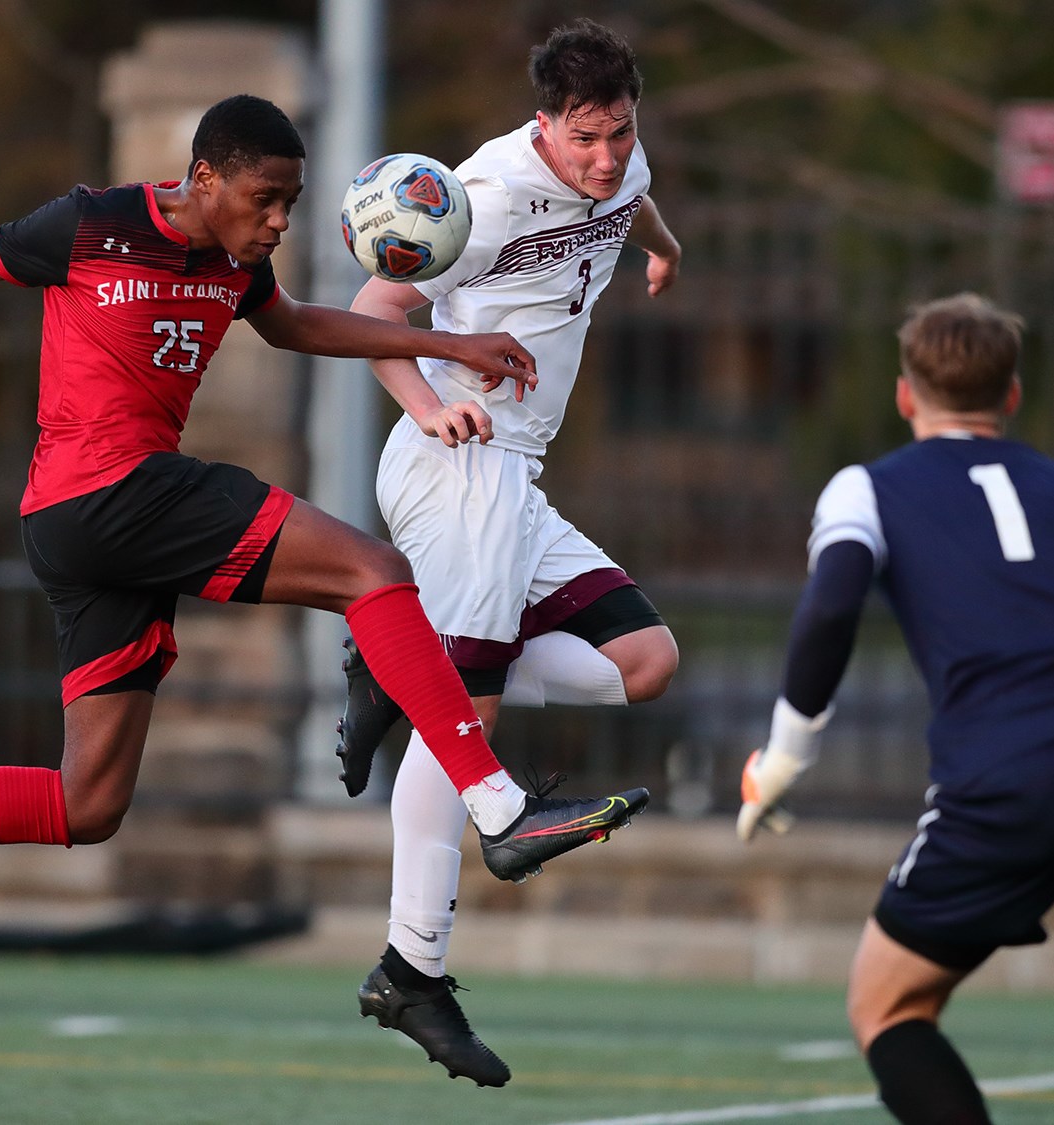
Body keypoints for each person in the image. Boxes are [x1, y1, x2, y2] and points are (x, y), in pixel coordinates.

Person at [0, 95, 649, 938]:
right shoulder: (89, 223)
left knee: (89, 803)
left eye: (292, 200)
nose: (280, 220)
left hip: (84, 533)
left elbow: (300, 325)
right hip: (109, 490)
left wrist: (446, 340)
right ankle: (497, 806)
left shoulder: (235, 266)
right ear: (205, 178)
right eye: (266, 198)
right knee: (375, 573)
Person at [736, 294, 1054, 1125]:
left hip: (1012, 775)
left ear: (905, 396)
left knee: (888, 1007)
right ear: (1010, 396)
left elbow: (830, 610)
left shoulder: (867, 488)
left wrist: (784, 758)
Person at [333, 19, 683, 1088]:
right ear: (545, 125)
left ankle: (400, 666)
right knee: (465, 724)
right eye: (584, 139)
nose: (604, 158)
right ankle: (411, 964)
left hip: (519, 482)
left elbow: (635, 201)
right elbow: (370, 307)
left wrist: (662, 243)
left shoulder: (624, 166)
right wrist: (428, 402)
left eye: (618, 133)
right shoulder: (478, 195)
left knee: (645, 665)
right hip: (461, 462)